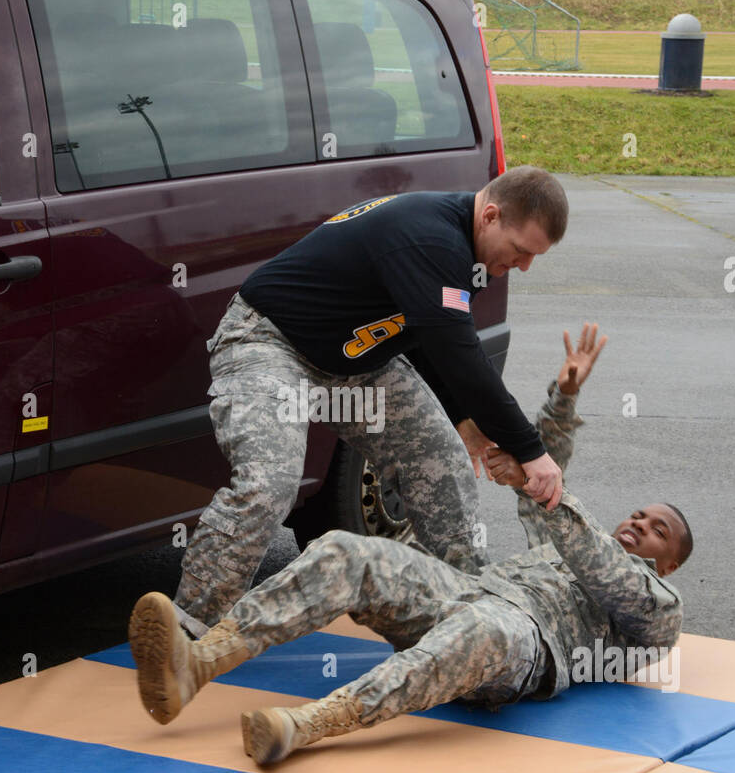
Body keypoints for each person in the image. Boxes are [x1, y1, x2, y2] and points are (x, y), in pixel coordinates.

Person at [129, 323, 693, 765]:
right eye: (641, 515)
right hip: (468, 594)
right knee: (346, 551)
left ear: (668, 565)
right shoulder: (561, 547)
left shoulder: (657, 613)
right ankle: (198, 662)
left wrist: (542, 489)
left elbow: (593, 556)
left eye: (656, 531)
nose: (640, 524)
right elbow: (546, 474)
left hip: (522, 645)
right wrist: (564, 398)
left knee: (485, 627)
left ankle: (305, 726)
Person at [155, 166, 570, 643]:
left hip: (350, 362)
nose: (523, 266)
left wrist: (462, 418)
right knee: (271, 482)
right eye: (520, 251)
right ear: (491, 215)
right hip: (270, 342)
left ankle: (467, 617)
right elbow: (462, 355)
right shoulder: (431, 239)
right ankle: (187, 629)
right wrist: (533, 451)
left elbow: (427, 336)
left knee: (442, 462)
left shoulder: (469, 250)